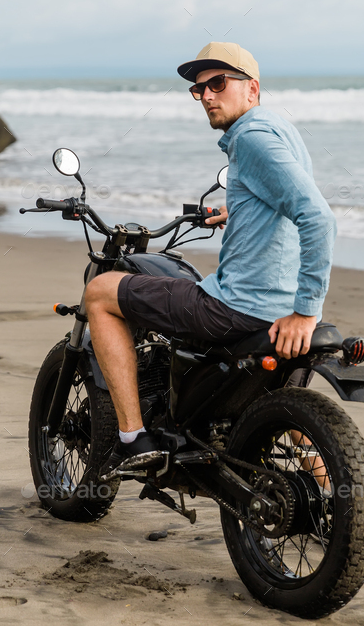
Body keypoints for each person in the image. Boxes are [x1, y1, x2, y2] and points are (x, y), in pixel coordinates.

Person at [85, 42, 336, 476]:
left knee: (100, 293)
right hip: (274, 307)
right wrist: (237, 210)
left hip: (236, 309)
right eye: (198, 89)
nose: (206, 96)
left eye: (218, 83)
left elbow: (317, 217)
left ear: (251, 89)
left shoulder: (252, 139)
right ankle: (331, 493)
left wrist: (306, 312)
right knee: (282, 400)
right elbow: (286, 201)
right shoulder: (278, 129)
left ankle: (132, 439)